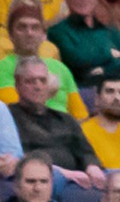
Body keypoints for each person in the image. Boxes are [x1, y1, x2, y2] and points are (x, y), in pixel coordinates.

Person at [7, 58, 103, 190]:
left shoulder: (66, 119)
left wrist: (92, 167)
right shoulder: (8, 118)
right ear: (17, 84)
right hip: (40, 179)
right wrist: (63, 173)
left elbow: (85, 151)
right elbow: (19, 158)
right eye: (30, 81)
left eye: (43, 80)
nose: (38, 86)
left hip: (78, 176)